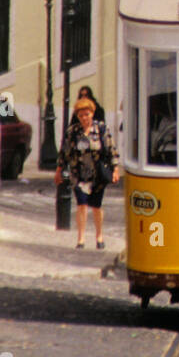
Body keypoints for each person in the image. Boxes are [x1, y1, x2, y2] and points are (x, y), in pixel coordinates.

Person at [55, 97, 119, 249]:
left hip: (97, 175)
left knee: (96, 206)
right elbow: (65, 152)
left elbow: (111, 150)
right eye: (81, 115)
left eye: (87, 114)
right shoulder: (73, 132)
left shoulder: (101, 129)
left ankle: (99, 236)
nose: (84, 118)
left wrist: (115, 169)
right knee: (82, 204)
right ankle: (81, 239)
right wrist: (59, 170)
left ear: (92, 113)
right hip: (79, 174)